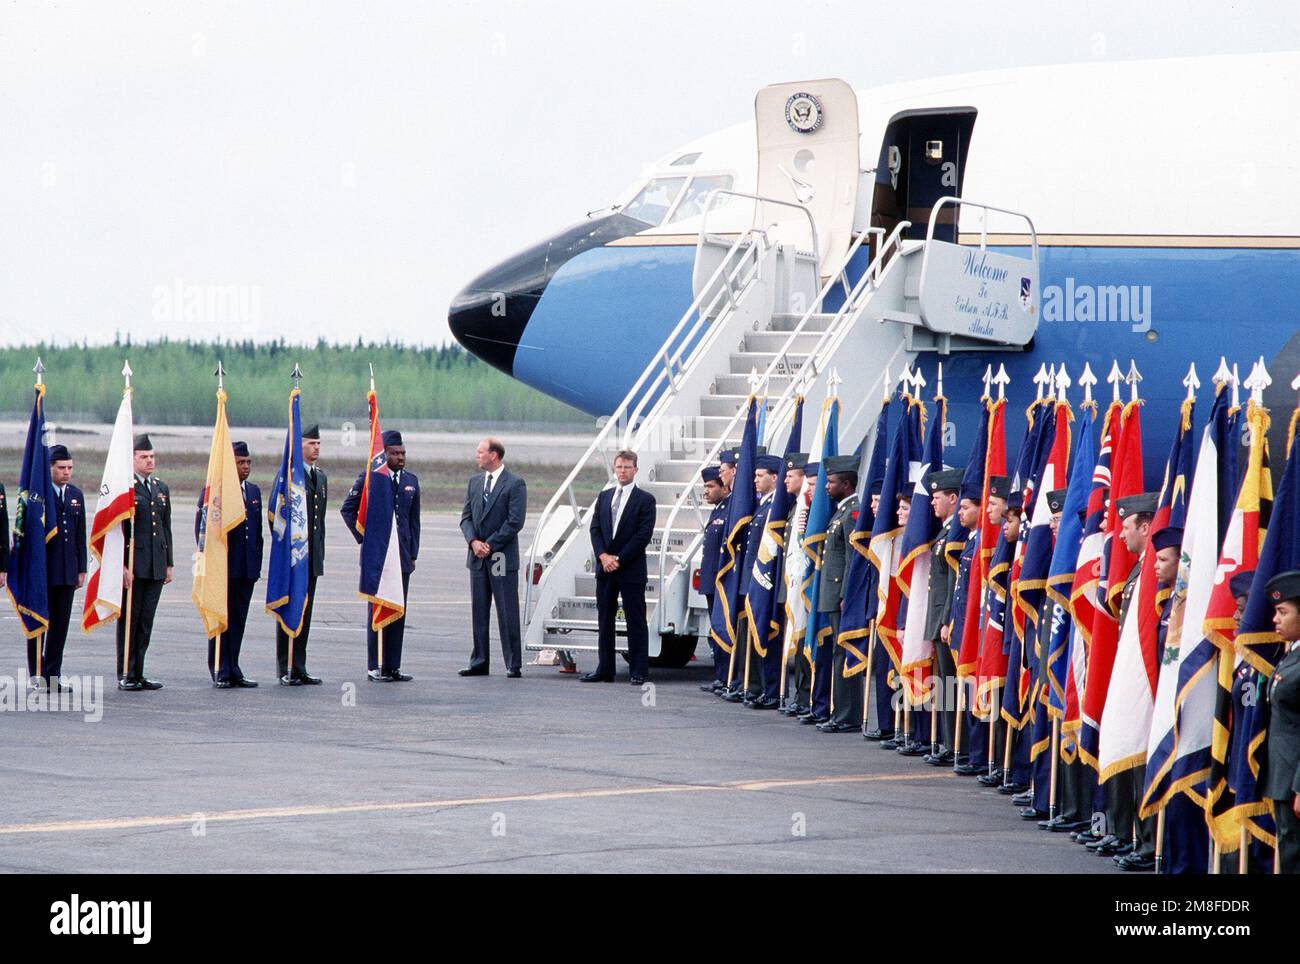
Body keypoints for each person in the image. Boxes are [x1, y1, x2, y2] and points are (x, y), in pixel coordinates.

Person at [1089, 491, 1157, 859]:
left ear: (1145, 526)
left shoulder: (1153, 569)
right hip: (1131, 671)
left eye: (1126, 527)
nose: (1119, 535)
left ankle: (1147, 842)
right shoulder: (1137, 568)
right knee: (1128, 751)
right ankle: (1127, 833)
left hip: (1146, 677)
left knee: (1141, 756)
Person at [341, 429, 420, 681]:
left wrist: (413, 553)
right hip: (379, 557)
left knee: (398, 610)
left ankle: (393, 666)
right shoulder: (371, 477)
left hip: (402, 558)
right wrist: (365, 538)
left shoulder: (411, 480)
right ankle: (375, 665)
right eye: (395, 453)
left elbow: (414, 521)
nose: (400, 457)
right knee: (377, 611)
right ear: (384, 454)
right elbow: (348, 510)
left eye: (403, 453)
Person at [583, 450, 656, 684]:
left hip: (630, 568)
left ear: (635, 469)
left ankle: (638, 670)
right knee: (605, 619)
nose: (622, 471)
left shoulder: (645, 500)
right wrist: (603, 556)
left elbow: (642, 536)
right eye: (619, 467)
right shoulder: (604, 497)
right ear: (614, 469)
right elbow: (595, 529)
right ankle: (605, 668)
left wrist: (619, 559)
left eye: (627, 467)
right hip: (605, 568)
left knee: (635, 619)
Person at [459, 437, 527, 678]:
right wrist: (473, 542)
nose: (476, 456)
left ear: (494, 455)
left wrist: (489, 544)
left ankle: (513, 663)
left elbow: (515, 521)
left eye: (480, 452)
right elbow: (465, 518)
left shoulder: (514, 484)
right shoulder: (475, 483)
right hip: (477, 557)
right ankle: (479, 661)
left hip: (501, 558)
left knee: (506, 611)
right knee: (479, 611)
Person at [196, 441, 262, 688]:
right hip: (223, 569)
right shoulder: (215, 493)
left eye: (248, 462)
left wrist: (255, 565)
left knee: (238, 620)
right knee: (221, 619)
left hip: (246, 570)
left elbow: (256, 535)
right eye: (240, 463)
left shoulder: (253, 492)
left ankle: (234, 666)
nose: (245, 467)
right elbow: (201, 531)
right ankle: (219, 668)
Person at [117, 434, 172, 691]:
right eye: (144, 457)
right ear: (133, 459)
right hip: (134, 564)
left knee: (146, 621)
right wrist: (122, 565)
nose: (149, 461)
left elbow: (165, 527)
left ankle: (139, 671)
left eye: (152, 457)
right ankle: (126, 672)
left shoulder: (160, 488)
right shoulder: (126, 489)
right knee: (131, 619)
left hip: (155, 564)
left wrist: (168, 563)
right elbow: (117, 531)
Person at [32, 445, 86, 690]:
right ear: (50, 468)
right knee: (39, 623)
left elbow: (79, 535)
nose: (66, 472)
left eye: (70, 468)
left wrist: (81, 568)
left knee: (60, 626)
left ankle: (53, 674)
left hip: (67, 572)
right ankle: (37, 674)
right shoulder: (39, 496)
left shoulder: (75, 495)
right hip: (44, 571)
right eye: (61, 468)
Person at [276, 423, 325, 685]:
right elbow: (279, 518)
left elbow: (320, 523)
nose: (315, 447)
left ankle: (300, 665)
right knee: (290, 611)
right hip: (295, 557)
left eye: (318, 443)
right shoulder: (289, 478)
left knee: (305, 613)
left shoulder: (321, 477)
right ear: (299, 446)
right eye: (310, 443)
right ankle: (286, 667)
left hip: (312, 558)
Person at [731, 452, 781, 706]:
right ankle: (757, 686)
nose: (755, 480)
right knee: (753, 633)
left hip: (766, 580)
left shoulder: (775, 507)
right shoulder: (762, 504)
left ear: (775, 477)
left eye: (760, 476)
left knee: (767, 633)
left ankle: (771, 691)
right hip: (753, 578)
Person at [816, 455, 861, 733]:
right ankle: (839, 711)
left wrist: (846, 594)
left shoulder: (852, 512)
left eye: (831, 482)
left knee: (844, 654)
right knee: (836, 653)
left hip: (840, 594)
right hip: (832, 593)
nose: (826, 487)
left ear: (846, 484)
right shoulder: (840, 511)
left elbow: (852, 558)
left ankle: (847, 714)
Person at [921, 468, 963, 764]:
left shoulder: (954, 535)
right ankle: (948, 741)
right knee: (944, 682)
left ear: (953, 497)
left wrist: (947, 619)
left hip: (945, 618)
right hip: (937, 617)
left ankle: (954, 743)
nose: (932, 503)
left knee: (951, 683)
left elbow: (952, 582)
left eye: (937, 498)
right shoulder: (945, 531)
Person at [1263, 570, 1300, 874]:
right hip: (1282, 776)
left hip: (1294, 780)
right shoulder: (1291, 656)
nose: (1275, 619)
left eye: (1283, 612)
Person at [697, 465, 730, 694]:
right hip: (711, 580)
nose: (705, 491)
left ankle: (727, 677)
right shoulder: (717, 510)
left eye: (710, 486)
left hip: (722, 580)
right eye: (705, 486)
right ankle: (720, 676)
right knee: (715, 629)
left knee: (722, 628)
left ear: (724, 487)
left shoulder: (729, 511)